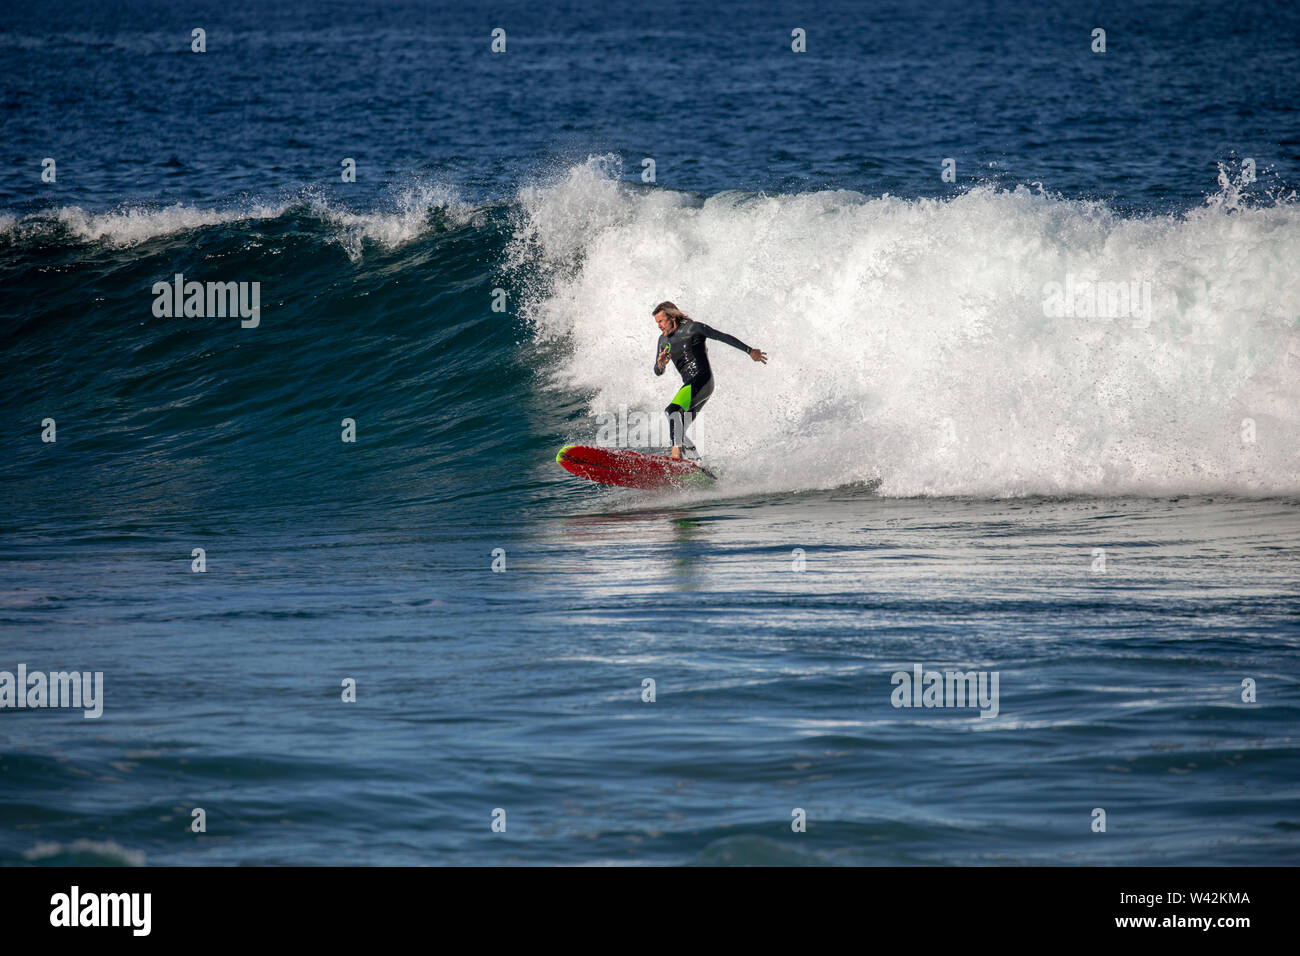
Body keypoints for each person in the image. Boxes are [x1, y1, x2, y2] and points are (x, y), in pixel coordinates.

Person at [651, 301, 767, 459]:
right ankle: (696, 464)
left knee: (672, 411)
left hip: (702, 379)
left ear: (672, 318)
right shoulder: (663, 341)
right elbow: (658, 371)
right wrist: (660, 365)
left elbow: (721, 336)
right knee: (678, 427)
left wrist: (750, 350)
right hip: (691, 384)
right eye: (657, 322)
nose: (659, 325)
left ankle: (675, 458)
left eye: (661, 321)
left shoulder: (693, 328)